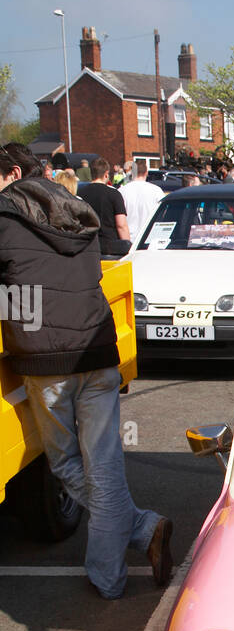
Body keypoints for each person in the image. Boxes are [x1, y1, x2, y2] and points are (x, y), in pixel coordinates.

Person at [0, 143, 173, 597]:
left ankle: (131, 546)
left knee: (65, 463)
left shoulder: (5, 216)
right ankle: (125, 553)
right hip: (97, 350)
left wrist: (15, 307)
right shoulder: (76, 211)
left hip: (47, 359)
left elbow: (17, 292)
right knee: (104, 467)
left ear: (14, 172)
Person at [77, 156, 131, 258]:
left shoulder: (80, 193)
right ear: (106, 174)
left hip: (86, 246)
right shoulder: (114, 194)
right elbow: (121, 225)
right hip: (110, 247)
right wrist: (127, 247)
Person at [120, 159, 164, 244]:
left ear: (132, 173)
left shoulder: (122, 191)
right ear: (146, 173)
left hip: (128, 240)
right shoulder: (157, 191)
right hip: (150, 240)